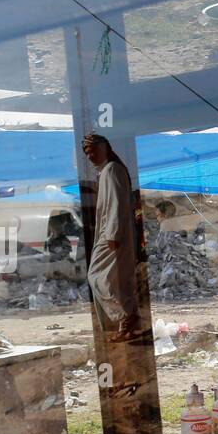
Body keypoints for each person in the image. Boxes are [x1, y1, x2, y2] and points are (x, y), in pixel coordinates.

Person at [82, 132, 141, 341]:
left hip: (113, 234)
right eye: (87, 152)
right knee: (118, 280)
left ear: (105, 148)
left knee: (97, 277)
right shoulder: (107, 171)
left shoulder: (112, 169)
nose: (90, 155)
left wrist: (113, 233)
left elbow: (116, 203)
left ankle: (126, 317)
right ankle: (128, 324)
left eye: (93, 150)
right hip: (112, 233)